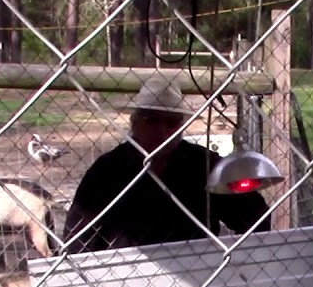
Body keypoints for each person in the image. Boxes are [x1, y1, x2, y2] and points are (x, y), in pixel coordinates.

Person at [60, 76, 272, 254]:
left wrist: (237, 262)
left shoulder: (202, 164)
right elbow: (77, 239)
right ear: (135, 123)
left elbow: (256, 216)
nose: (162, 132)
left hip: (198, 270)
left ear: (181, 126)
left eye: (171, 122)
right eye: (151, 120)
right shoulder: (107, 170)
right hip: (124, 276)